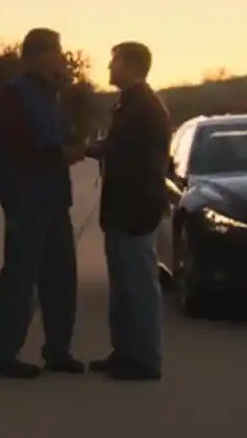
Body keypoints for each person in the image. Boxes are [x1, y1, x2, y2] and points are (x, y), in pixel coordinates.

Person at [0, 28, 88, 379]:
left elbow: (62, 133)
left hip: (53, 198)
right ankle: (3, 353)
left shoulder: (51, 95)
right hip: (26, 198)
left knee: (61, 277)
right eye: (57, 51)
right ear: (40, 55)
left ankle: (58, 350)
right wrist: (61, 155)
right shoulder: (15, 95)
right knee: (20, 276)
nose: (62, 58)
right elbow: (17, 145)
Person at [85, 41, 171, 381]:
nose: (109, 68)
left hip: (136, 209)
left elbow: (123, 151)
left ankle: (144, 359)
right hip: (124, 208)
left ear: (132, 66)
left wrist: (86, 149)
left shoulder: (144, 108)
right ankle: (124, 353)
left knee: (138, 286)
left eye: (115, 62)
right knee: (124, 287)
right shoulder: (131, 104)